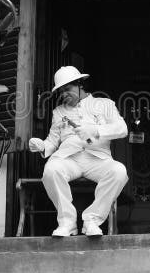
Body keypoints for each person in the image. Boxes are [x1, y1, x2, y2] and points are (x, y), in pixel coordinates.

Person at [28, 66, 128, 237]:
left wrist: (96, 130)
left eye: (68, 89)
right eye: (61, 91)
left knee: (119, 171)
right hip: (69, 159)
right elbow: (52, 141)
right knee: (51, 170)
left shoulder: (104, 104)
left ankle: (92, 220)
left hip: (98, 159)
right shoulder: (58, 112)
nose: (64, 94)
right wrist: (42, 146)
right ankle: (67, 222)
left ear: (80, 85)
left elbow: (122, 129)